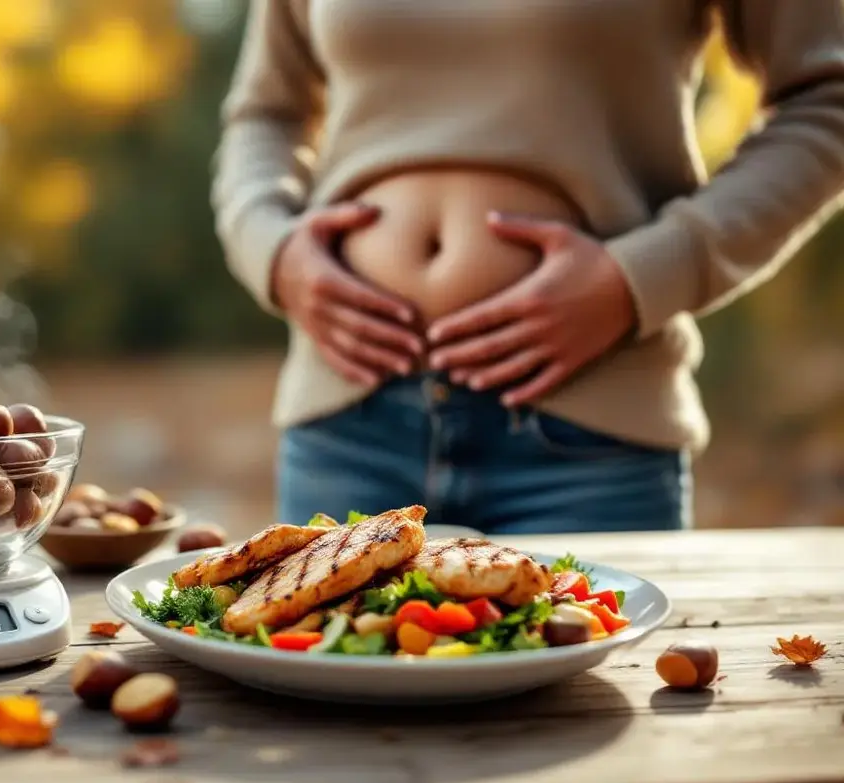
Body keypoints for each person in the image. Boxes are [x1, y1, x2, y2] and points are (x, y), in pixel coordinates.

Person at [210, 1, 844, 533]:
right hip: (348, 425)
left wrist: (639, 278)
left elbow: (827, 102)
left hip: (587, 441)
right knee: (316, 683)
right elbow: (266, 113)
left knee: (586, 684)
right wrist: (275, 251)